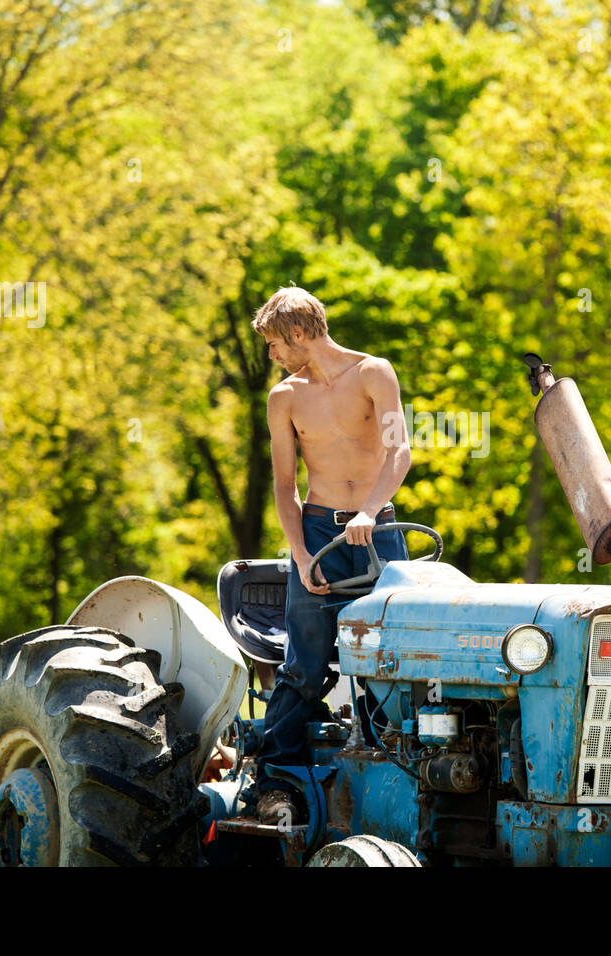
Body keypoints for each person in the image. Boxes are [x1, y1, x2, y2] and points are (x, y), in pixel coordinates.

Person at [249, 286, 411, 825]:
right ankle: (273, 782)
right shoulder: (285, 398)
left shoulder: (373, 373)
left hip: (379, 533)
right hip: (319, 535)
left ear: (298, 333)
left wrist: (369, 510)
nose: (272, 355)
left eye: (274, 344)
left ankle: (395, 773)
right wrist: (299, 554)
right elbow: (285, 486)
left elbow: (399, 451)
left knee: (390, 662)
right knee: (304, 663)